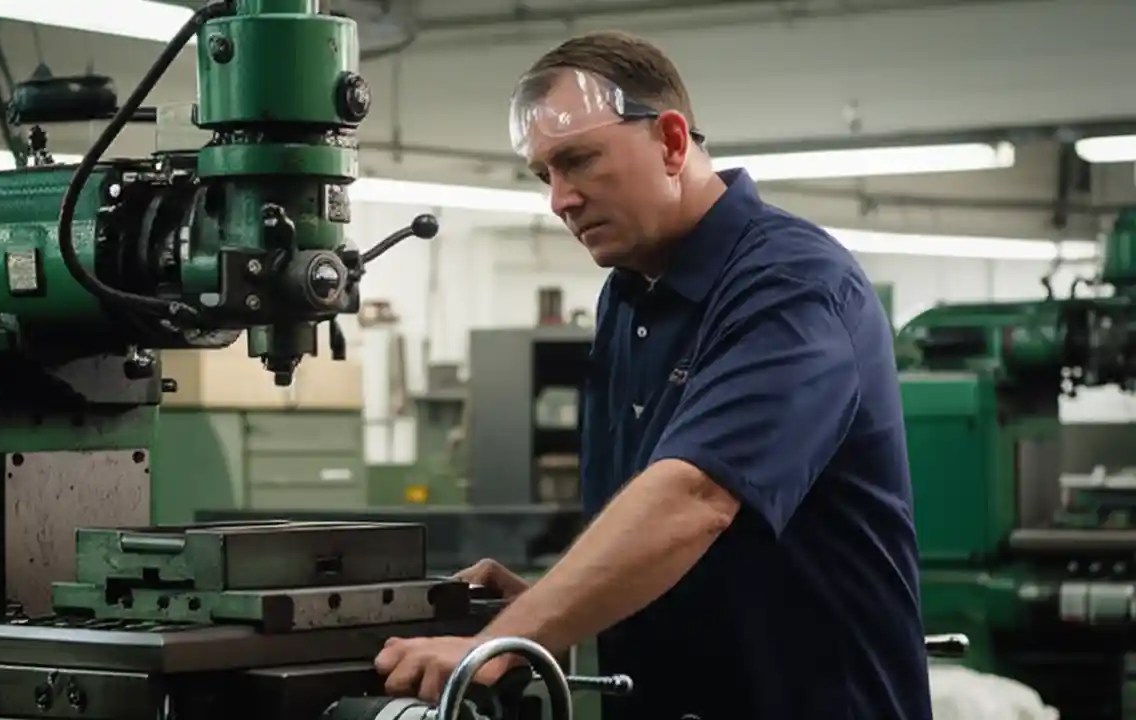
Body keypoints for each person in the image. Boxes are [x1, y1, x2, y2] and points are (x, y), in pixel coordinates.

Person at [374, 30, 933, 720]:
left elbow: (694, 499)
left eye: (578, 161)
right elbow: (660, 526)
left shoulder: (790, 285)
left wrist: (499, 642)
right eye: (543, 174)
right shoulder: (631, 294)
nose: (559, 200)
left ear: (671, 143)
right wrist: (551, 602)